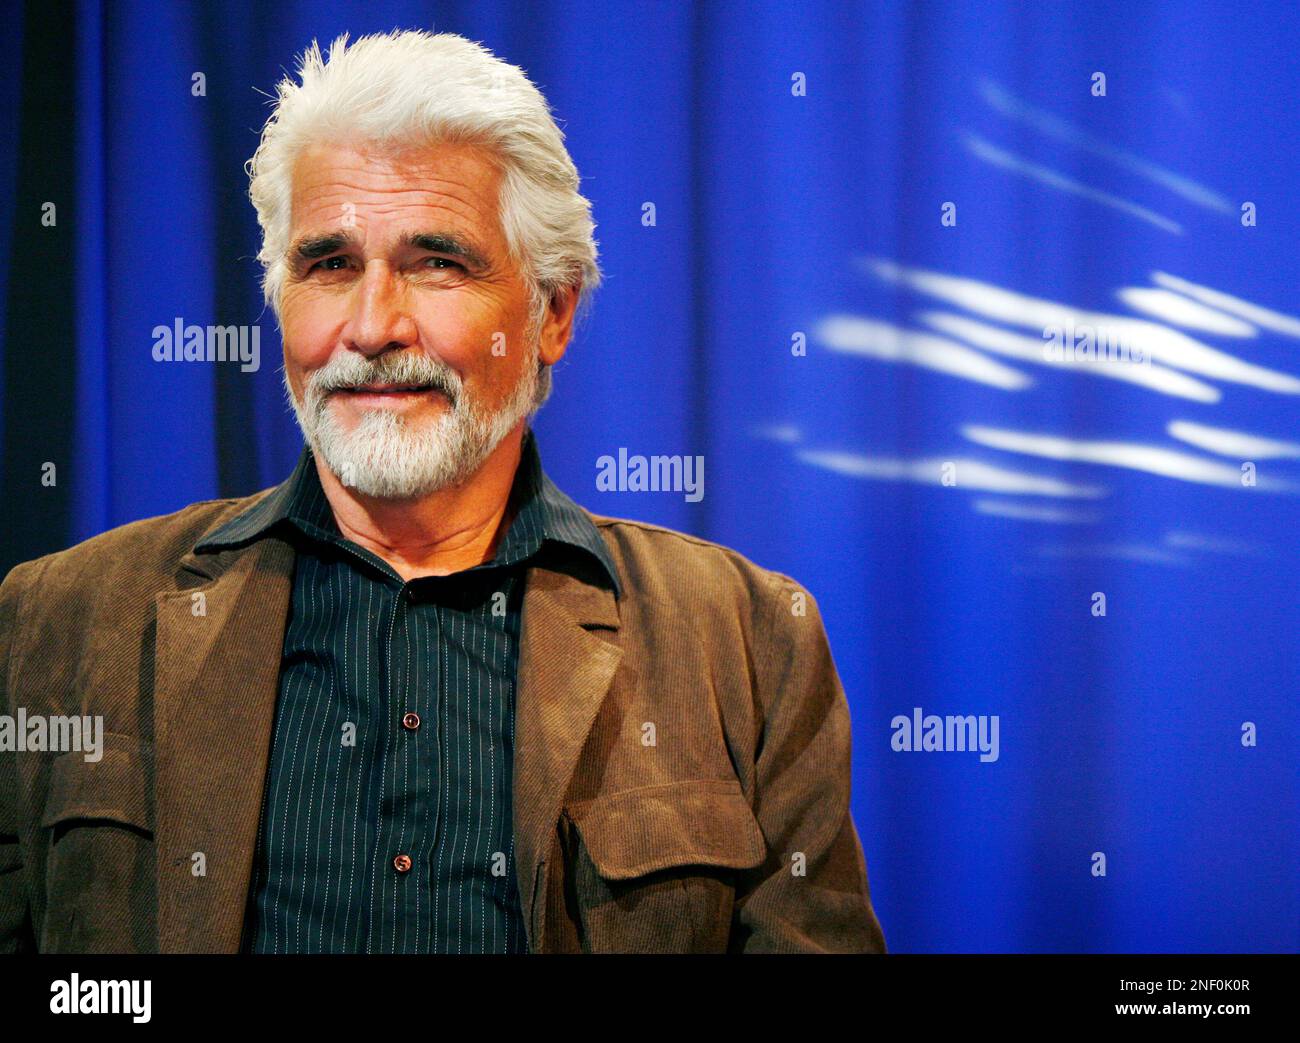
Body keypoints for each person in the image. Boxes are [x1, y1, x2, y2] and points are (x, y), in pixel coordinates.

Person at [0, 28, 886, 954]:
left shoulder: (748, 646)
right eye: (330, 264)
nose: (374, 326)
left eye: (437, 263)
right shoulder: (54, 624)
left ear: (552, 313)